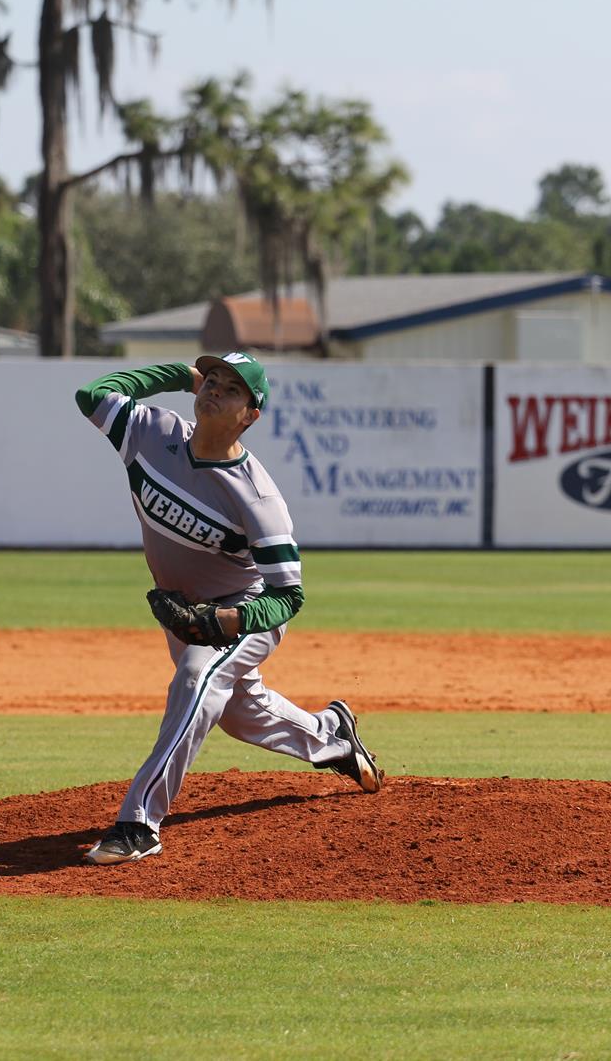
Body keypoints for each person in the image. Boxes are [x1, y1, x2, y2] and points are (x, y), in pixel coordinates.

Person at [74, 352, 384, 866]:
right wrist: (177, 373)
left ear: (250, 415)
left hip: (241, 610)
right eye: (212, 379)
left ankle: (138, 823)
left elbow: (288, 596)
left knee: (198, 678)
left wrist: (230, 621)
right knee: (242, 714)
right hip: (184, 613)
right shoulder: (150, 433)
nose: (217, 389)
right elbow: (92, 395)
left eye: (233, 388)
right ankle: (334, 738)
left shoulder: (257, 498)